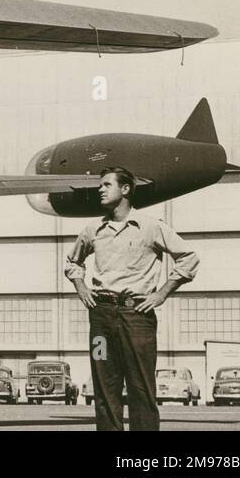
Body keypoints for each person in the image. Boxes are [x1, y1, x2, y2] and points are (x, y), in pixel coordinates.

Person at [65, 167, 200, 431]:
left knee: (141, 389)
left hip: (136, 318)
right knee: (103, 387)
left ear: (125, 189)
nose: (100, 190)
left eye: (106, 185)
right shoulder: (93, 229)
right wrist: (81, 286)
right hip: (101, 320)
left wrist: (161, 293)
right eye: (99, 185)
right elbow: (72, 262)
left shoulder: (151, 227)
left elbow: (189, 258)